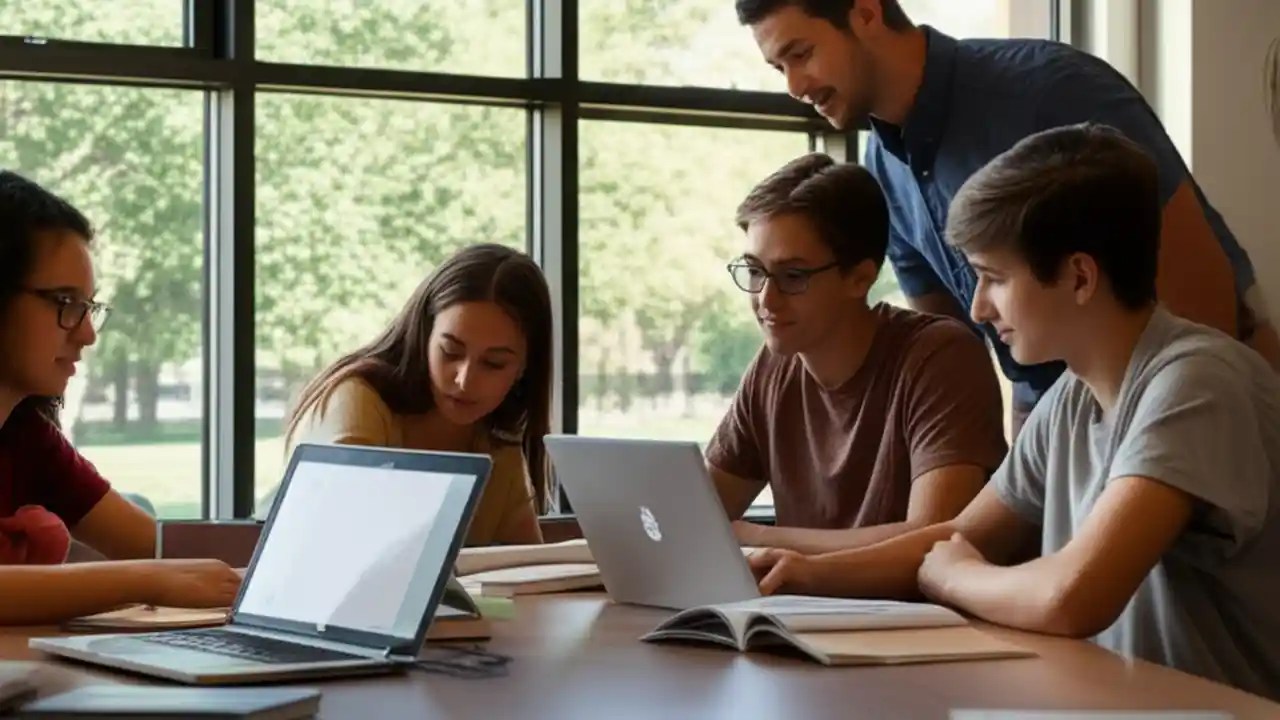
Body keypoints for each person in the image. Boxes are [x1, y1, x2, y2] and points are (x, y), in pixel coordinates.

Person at [748, 124, 1280, 700]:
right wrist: (802, 572)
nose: (977, 307)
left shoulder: (1197, 382)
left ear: (1079, 277)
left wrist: (955, 576)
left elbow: (1070, 597)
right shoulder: (1071, 397)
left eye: (994, 279)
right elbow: (959, 536)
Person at [735, 0, 1280, 434]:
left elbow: (1204, 304)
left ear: (866, 12)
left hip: (1202, 407)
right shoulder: (884, 168)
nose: (794, 86)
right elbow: (960, 358)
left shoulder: (1050, 91)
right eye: (779, 67)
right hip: (1065, 430)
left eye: (801, 54)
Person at [709, 153, 1006, 554]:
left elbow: (935, 536)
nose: (766, 299)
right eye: (755, 271)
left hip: (919, 598)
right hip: (803, 595)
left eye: (793, 276)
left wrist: (761, 538)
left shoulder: (940, 357)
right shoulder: (772, 367)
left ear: (861, 278)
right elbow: (696, 513)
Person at [0, 170, 241, 625]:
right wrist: (144, 580)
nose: (87, 334)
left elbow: (151, 546)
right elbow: (156, 566)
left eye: (89, 307)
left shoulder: (25, 436)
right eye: (66, 303)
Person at [260, 243, 552, 546]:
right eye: (450, 351)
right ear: (425, 334)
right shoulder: (358, 401)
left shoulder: (499, 440)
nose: (464, 380)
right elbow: (347, 543)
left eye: (494, 363)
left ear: (524, 367)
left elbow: (528, 563)